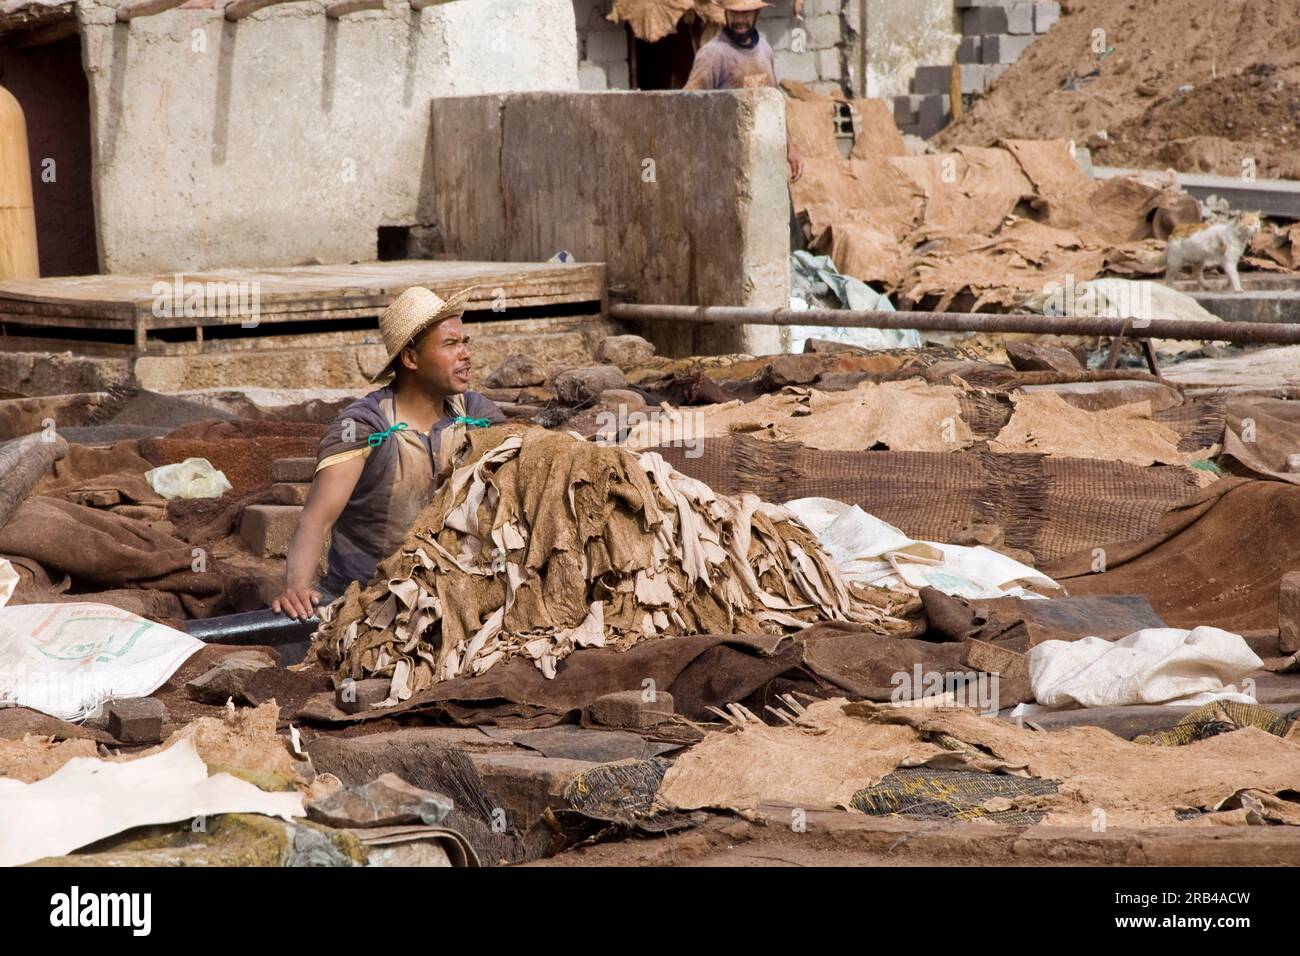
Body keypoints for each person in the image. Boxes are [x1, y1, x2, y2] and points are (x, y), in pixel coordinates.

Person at [272, 286, 505, 620]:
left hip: (451, 592)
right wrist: (296, 587)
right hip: (367, 598)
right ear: (410, 359)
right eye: (451, 344)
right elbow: (315, 520)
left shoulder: (476, 414)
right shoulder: (365, 426)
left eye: (466, 342)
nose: (465, 353)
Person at [684, 0, 803, 183]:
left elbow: (775, 104)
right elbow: (688, 105)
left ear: (757, 14)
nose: (740, 19)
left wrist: (790, 147)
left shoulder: (764, 50)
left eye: (746, 13)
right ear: (725, 14)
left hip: (765, 155)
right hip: (727, 162)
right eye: (734, 13)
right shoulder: (713, 54)